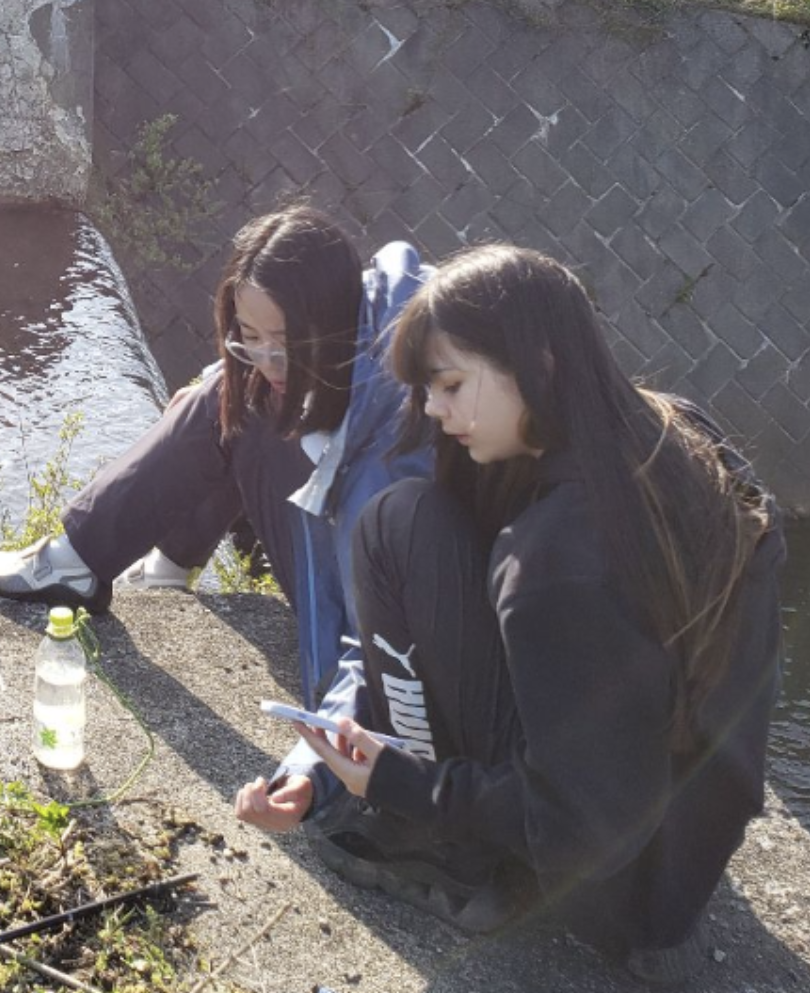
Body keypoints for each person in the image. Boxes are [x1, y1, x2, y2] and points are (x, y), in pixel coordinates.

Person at [290, 244, 784, 983]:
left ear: (541, 363)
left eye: (451, 384)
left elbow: (581, 829)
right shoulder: (676, 438)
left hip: (605, 885)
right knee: (419, 513)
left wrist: (393, 780)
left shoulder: (552, 563)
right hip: (680, 853)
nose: (430, 408)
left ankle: (449, 848)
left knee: (397, 523)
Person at [0, 206, 431, 830]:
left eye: (283, 341)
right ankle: (102, 562)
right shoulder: (359, 339)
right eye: (248, 332)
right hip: (340, 595)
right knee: (228, 391)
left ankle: (94, 563)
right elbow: (254, 375)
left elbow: (385, 655)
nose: (266, 357)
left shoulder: (391, 463)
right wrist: (231, 373)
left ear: (330, 322)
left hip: (361, 668)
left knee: (230, 394)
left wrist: (308, 771)